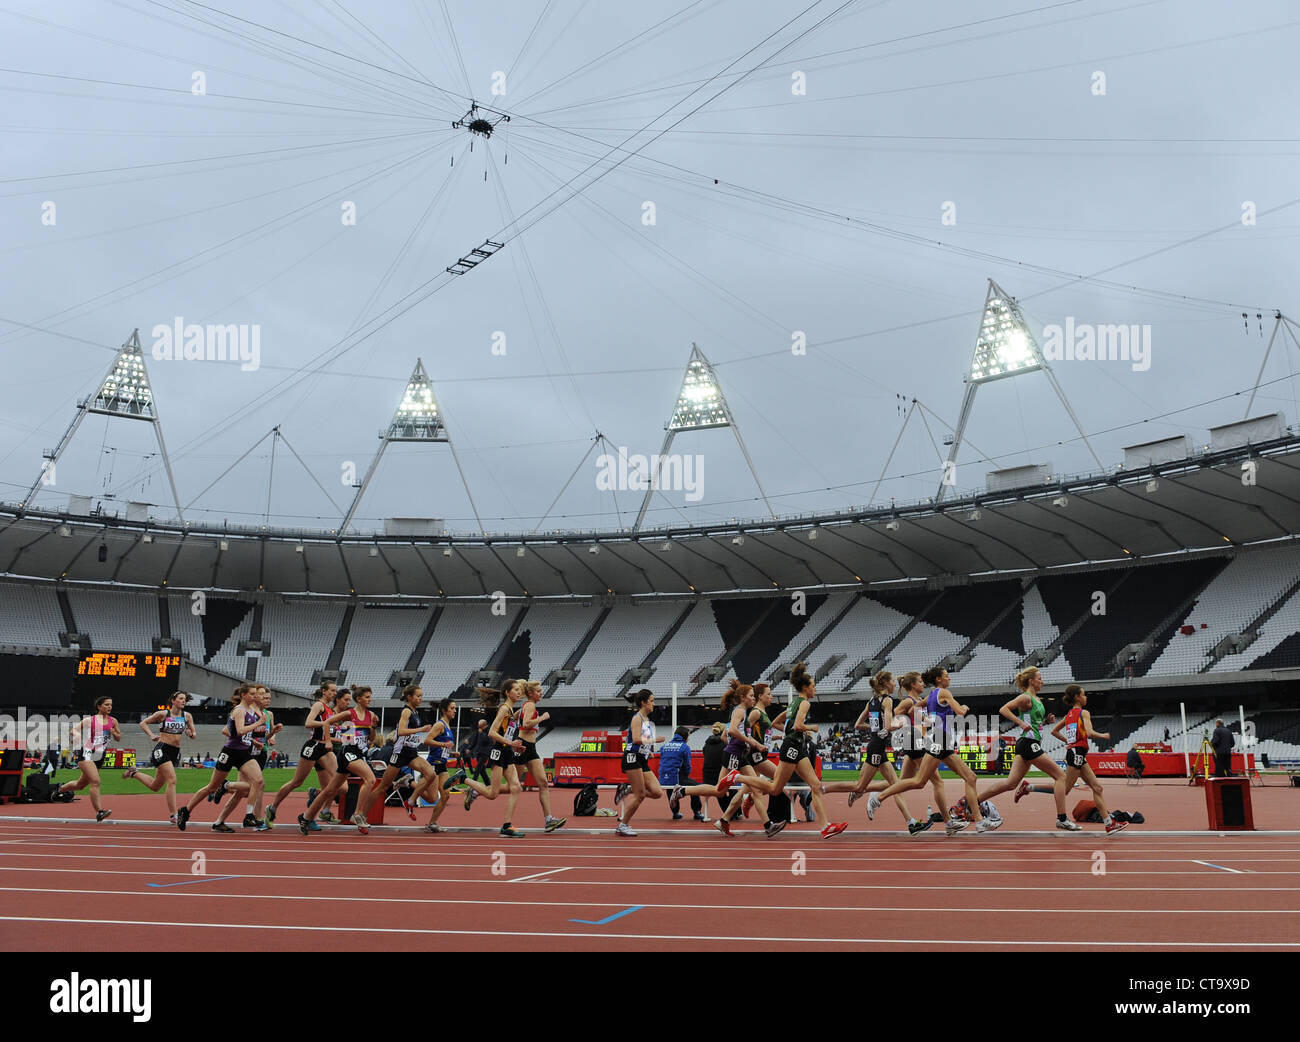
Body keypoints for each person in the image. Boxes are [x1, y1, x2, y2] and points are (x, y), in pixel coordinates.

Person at [873, 667, 1000, 833]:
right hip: (939, 741)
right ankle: (879, 796)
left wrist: (927, 721)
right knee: (920, 781)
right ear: (939, 679)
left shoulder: (931, 695)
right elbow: (961, 713)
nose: (950, 679)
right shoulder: (944, 693)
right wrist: (964, 706)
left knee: (971, 777)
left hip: (942, 742)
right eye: (947, 676)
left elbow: (913, 709)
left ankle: (979, 821)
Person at [735, 663, 845, 839]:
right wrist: (812, 728)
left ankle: (825, 827)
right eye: (813, 685)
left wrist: (789, 732)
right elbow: (797, 725)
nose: (815, 688)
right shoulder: (804, 704)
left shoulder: (794, 703)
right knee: (775, 788)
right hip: (791, 747)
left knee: (815, 785)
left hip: (796, 746)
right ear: (805, 687)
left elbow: (775, 724)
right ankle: (736, 778)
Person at [821, 671, 929, 836]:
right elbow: (888, 726)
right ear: (885, 683)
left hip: (876, 746)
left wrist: (875, 729)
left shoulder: (871, 701)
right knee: (859, 786)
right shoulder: (887, 701)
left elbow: (858, 725)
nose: (895, 684)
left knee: (895, 786)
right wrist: (899, 723)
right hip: (876, 749)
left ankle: (911, 823)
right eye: (893, 680)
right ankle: (822, 790)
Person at [973, 666, 1070, 830]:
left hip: (1027, 743)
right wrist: (1020, 723)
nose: (1042, 681)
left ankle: (971, 803)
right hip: (1028, 744)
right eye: (1039, 678)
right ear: (1031, 681)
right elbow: (1003, 709)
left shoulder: (1036, 700)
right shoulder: (1026, 698)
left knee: (1010, 783)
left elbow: (1034, 725)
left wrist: (1046, 722)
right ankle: (1062, 818)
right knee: (1061, 777)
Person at [177, 685, 266, 832]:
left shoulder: (251, 710)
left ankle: (249, 815)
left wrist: (254, 741)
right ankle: (185, 810)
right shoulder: (239, 710)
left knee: (258, 781)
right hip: (230, 753)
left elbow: (242, 734)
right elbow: (239, 731)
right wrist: (258, 723)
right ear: (243, 695)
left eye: (255, 694)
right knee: (211, 787)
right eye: (252, 694)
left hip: (243, 752)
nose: (254, 696)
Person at [302, 685, 382, 834]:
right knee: (370, 779)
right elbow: (327, 723)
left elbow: (371, 740)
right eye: (367, 697)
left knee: (330, 790)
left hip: (358, 754)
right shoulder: (349, 714)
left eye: (370, 697)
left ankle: (306, 817)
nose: (370, 699)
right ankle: (357, 814)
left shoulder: (370, 715)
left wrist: (373, 727)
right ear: (358, 699)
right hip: (347, 753)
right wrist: (327, 741)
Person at [1050, 685, 1127, 834]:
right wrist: (1103, 735)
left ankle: (1109, 823)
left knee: (1097, 788)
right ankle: (1030, 787)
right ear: (1077, 697)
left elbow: (1054, 731)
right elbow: (1090, 733)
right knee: (1064, 789)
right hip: (1077, 753)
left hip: (1077, 753)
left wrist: (1069, 742)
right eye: (1084, 695)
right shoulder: (1084, 713)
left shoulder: (1069, 715)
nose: (1086, 697)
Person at [266, 682, 339, 827]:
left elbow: (328, 728)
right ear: (324, 691)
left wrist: (334, 732)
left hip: (325, 749)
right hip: (313, 747)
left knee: (338, 785)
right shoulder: (319, 705)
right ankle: (272, 807)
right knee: (297, 782)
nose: (334, 693)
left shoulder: (331, 710)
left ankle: (310, 812)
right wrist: (326, 723)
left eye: (336, 691)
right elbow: (308, 723)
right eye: (332, 690)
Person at [462, 681, 528, 837]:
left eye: (520, 690)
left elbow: (505, 733)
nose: (519, 693)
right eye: (516, 690)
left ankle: (506, 826)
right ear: (507, 693)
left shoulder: (510, 710)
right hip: (498, 751)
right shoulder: (504, 709)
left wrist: (513, 745)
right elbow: (492, 732)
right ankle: (463, 779)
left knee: (516, 787)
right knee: (492, 794)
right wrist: (511, 742)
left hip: (507, 751)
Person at [370, 685, 439, 825]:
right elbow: (401, 731)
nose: (420, 699)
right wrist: (421, 729)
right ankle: (362, 812)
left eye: (421, 696)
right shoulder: (406, 712)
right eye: (418, 696)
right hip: (400, 753)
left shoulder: (416, 713)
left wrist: (420, 735)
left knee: (431, 774)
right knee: (383, 787)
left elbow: (412, 734)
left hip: (411, 753)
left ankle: (411, 800)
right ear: (409, 697)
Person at [123, 690, 196, 823]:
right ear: (173, 701)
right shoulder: (163, 714)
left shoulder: (187, 716)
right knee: (172, 780)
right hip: (162, 748)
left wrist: (190, 733)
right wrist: (151, 735)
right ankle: (174, 815)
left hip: (175, 751)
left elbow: (194, 735)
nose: (183, 701)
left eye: (185, 699)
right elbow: (143, 723)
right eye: (180, 698)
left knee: (155, 786)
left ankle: (133, 773)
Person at [612, 688, 668, 837]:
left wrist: (647, 751)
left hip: (641, 758)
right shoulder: (637, 718)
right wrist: (656, 740)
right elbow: (636, 739)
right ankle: (622, 825)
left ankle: (628, 789)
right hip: (631, 757)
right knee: (641, 794)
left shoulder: (647, 721)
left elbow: (639, 742)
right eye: (652, 701)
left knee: (657, 792)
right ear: (644, 703)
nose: (654, 704)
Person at [513, 681, 567, 833]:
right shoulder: (530, 705)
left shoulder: (527, 705)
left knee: (543, 783)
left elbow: (516, 718)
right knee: (513, 785)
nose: (541, 693)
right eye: (538, 691)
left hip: (531, 748)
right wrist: (542, 718)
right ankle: (478, 791)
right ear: (531, 694)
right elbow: (527, 723)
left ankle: (548, 819)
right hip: (522, 746)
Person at [58, 696, 120, 821]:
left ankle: (59, 789)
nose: (109, 707)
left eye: (111, 705)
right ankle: (99, 812)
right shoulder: (89, 720)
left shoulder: (113, 721)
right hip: (87, 753)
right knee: (95, 782)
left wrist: (114, 733)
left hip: (100, 755)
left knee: (80, 785)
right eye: (107, 705)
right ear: (99, 706)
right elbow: (73, 730)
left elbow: (119, 738)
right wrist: (76, 734)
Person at [659, 726, 705, 821]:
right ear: (684, 736)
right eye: (688, 736)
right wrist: (685, 777)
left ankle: (675, 813)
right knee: (695, 787)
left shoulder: (664, 746)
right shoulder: (685, 747)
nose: (689, 738)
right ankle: (697, 812)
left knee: (670, 790)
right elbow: (687, 766)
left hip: (663, 777)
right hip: (677, 777)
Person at [700, 721, 729, 815]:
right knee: (731, 790)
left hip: (707, 775)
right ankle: (733, 813)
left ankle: (730, 813)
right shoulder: (726, 745)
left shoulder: (706, 744)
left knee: (721, 793)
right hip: (720, 774)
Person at [470, 718, 494, 783]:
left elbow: (487, 741)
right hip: (478, 752)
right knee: (482, 770)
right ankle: (488, 784)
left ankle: (473, 784)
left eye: (480, 725)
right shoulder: (479, 731)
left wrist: (481, 734)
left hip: (485, 753)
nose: (478, 726)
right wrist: (469, 748)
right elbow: (474, 741)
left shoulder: (489, 731)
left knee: (477, 769)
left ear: (484, 725)